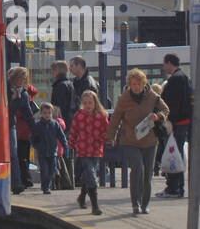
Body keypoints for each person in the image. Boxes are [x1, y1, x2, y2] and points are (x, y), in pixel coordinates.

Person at [105, 68, 169, 216]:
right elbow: (115, 119)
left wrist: (158, 116)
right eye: (133, 84)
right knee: (137, 169)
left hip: (150, 140)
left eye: (138, 84)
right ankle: (135, 203)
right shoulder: (124, 98)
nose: (136, 87)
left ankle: (144, 204)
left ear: (144, 83)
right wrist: (111, 137)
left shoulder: (152, 96)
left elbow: (165, 110)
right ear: (129, 84)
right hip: (130, 140)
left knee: (147, 173)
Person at [68, 89, 109, 215]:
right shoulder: (78, 116)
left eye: (90, 103)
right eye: (85, 103)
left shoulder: (101, 116)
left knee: (89, 175)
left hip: (95, 149)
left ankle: (82, 196)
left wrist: (102, 140)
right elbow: (74, 131)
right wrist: (71, 145)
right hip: (82, 149)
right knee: (91, 175)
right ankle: (95, 206)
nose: (87, 106)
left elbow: (106, 131)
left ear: (95, 103)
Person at [159, 54, 192, 199]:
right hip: (183, 123)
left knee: (172, 155)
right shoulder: (184, 77)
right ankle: (178, 187)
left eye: (164, 64)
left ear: (169, 63)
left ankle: (173, 188)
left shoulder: (175, 79)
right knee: (176, 156)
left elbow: (173, 103)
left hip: (175, 124)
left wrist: (169, 121)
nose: (164, 67)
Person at [8, 66, 36, 195]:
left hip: (10, 124)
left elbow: (28, 114)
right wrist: (12, 99)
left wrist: (35, 130)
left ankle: (16, 184)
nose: (22, 81)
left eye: (24, 79)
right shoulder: (5, 89)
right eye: (20, 78)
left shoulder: (23, 94)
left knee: (14, 154)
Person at [50, 61, 76, 186]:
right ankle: (70, 180)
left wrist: (55, 118)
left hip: (61, 121)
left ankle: (65, 182)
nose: (52, 73)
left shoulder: (59, 86)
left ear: (58, 70)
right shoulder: (70, 84)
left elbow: (58, 107)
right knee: (67, 151)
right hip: (69, 120)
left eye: (53, 70)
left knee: (60, 153)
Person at [14, 80, 40, 189]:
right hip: (26, 131)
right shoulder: (29, 95)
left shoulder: (22, 95)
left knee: (21, 157)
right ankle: (27, 179)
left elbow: (19, 113)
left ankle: (25, 179)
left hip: (20, 131)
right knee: (25, 157)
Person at [31, 103, 61, 194]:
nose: (47, 115)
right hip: (42, 153)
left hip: (52, 152)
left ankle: (47, 184)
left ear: (52, 113)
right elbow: (32, 137)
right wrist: (36, 146)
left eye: (49, 113)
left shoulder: (55, 124)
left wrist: (65, 145)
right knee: (44, 170)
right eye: (45, 113)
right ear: (41, 113)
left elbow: (61, 135)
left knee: (52, 171)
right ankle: (46, 187)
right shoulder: (38, 125)